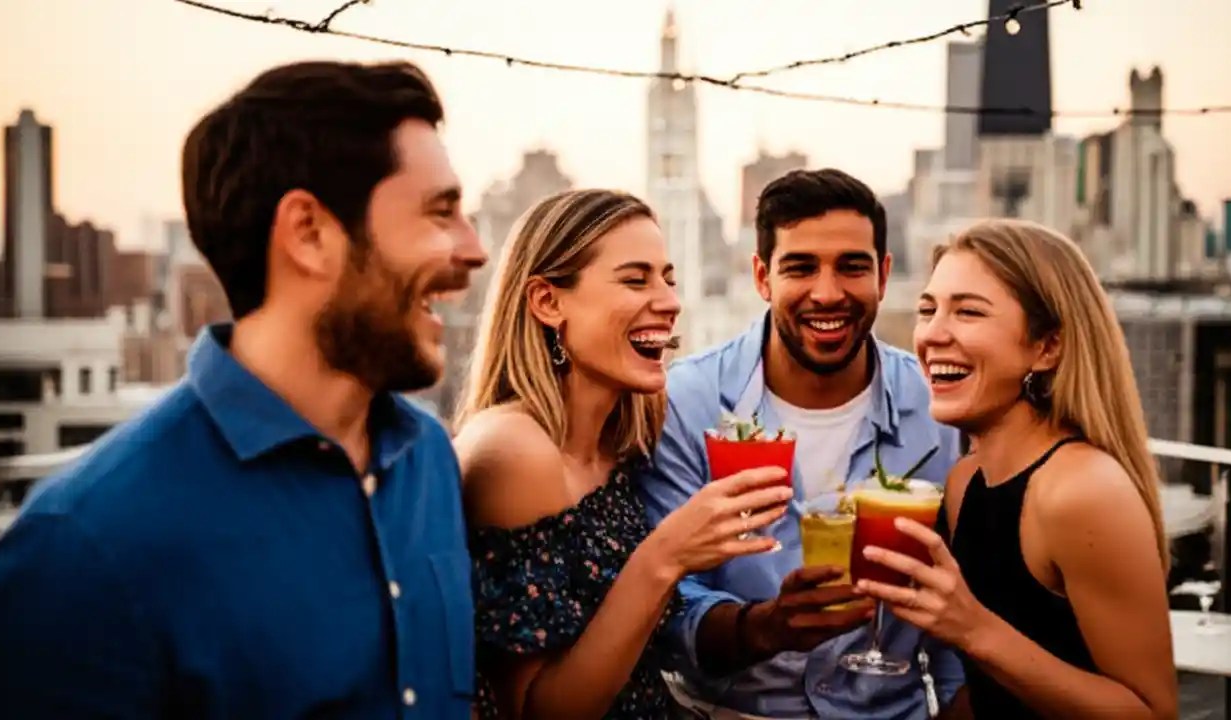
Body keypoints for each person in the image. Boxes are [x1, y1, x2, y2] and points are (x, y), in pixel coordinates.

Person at [0, 60, 487, 718]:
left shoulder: (428, 459)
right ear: (308, 233)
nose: (473, 248)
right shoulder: (84, 548)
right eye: (441, 212)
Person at [453, 188, 795, 719]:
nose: (669, 301)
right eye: (635, 279)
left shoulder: (626, 438)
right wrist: (666, 556)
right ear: (548, 302)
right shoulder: (514, 452)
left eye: (669, 279)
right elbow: (540, 712)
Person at [640, 167, 967, 719]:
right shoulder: (684, 404)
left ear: (883, 276)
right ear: (762, 278)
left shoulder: (939, 407)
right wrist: (763, 627)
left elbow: (964, 623)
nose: (827, 292)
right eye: (801, 268)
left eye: (852, 267)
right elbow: (664, 603)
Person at [855, 219, 1178, 718]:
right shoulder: (964, 482)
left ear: (1046, 347)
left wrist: (972, 628)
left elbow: (1152, 714)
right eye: (928, 309)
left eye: (967, 312)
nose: (933, 333)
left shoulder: (1081, 490)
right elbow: (992, 694)